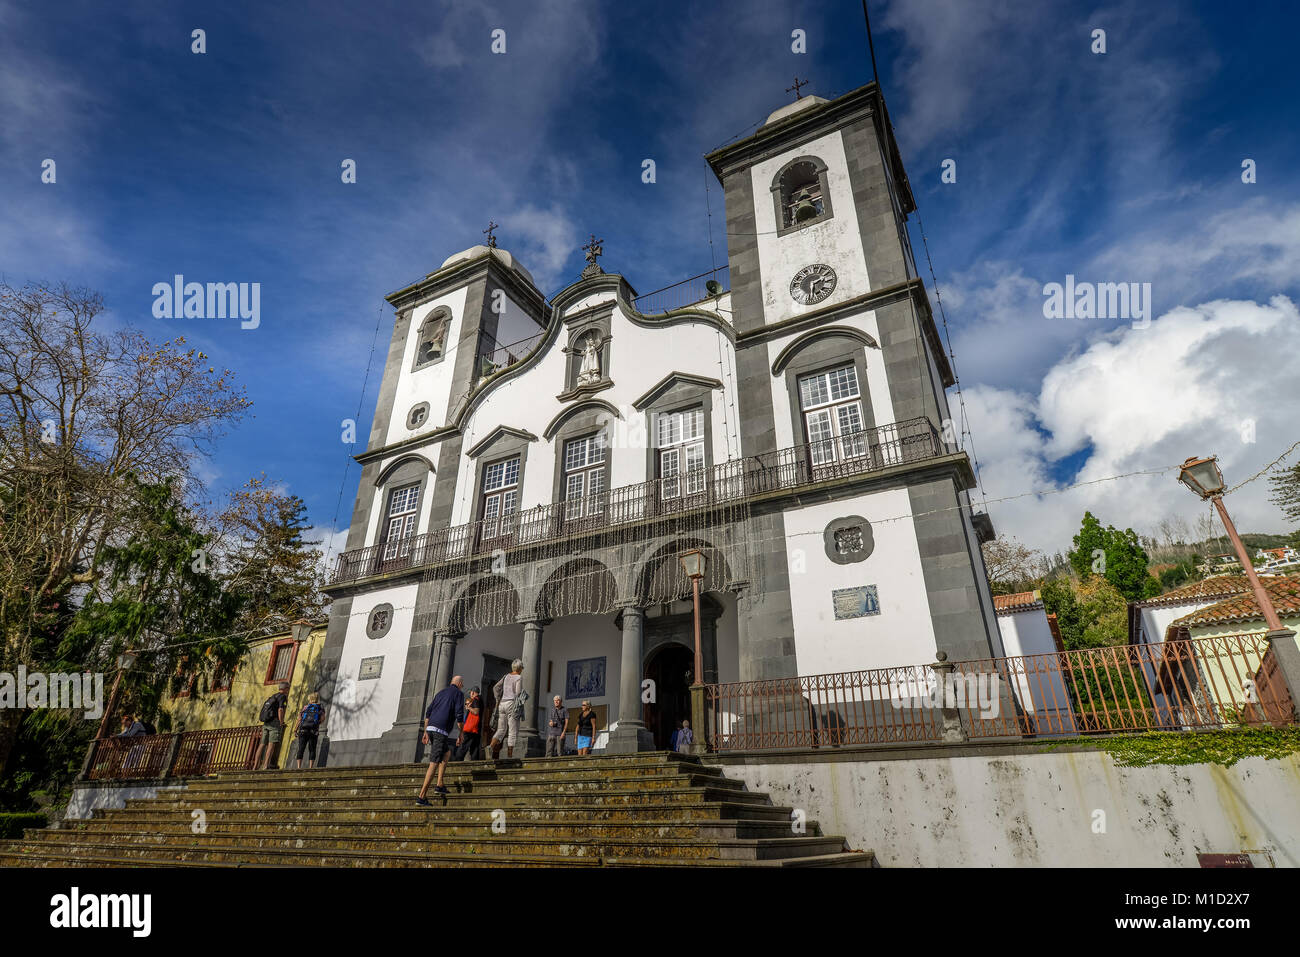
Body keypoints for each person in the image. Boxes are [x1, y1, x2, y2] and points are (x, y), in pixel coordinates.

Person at [417, 675, 465, 805]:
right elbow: (459, 715)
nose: (462, 686)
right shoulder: (458, 694)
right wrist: (461, 732)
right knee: (434, 762)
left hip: (432, 728)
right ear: (460, 684)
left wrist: (426, 731)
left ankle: (439, 784)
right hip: (440, 731)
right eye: (463, 684)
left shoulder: (441, 693)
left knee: (446, 753)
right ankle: (422, 796)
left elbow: (428, 712)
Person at [489, 659, 525, 759]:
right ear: (519, 668)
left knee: (501, 729)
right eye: (521, 668)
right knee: (512, 730)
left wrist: (497, 699)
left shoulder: (506, 676)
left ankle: (490, 747)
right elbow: (518, 693)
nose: (522, 670)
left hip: (502, 703)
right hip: (511, 704)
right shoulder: (519, 677)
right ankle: (509, 755)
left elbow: (496, 687)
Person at [253, 681, 290, 771]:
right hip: (274, 723)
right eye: (288, 688)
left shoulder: (273, 696)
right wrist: (281, 722)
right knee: (271, 745)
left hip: (266, 722)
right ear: (285, 689)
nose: (288, 690)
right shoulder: (283, 697)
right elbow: (280, 709)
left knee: (262, 744)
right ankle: (265, 765)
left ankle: (255, 766)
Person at [293, 692, 324, 769]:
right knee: (312, 749)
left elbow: (299, 719)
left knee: (301, 748)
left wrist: (295, 729)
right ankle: (310, 767)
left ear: (310, 699)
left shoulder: (306, 707)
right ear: (317, 699)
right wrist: (317, 723)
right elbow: (323, 718)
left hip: (303, 730)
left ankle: (299, 767)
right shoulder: (320, 707)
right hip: (313, 731)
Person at [455, 687, 483, 761]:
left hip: (470, 728)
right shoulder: (480, 700)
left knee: (463, 746)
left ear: (473, 692)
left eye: (470, 693)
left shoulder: (475, 700)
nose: (470, 694)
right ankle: (475, 763)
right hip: (476, 728)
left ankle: (457, 762)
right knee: (475, 747)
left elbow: (476, 712)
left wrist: (469, 708)